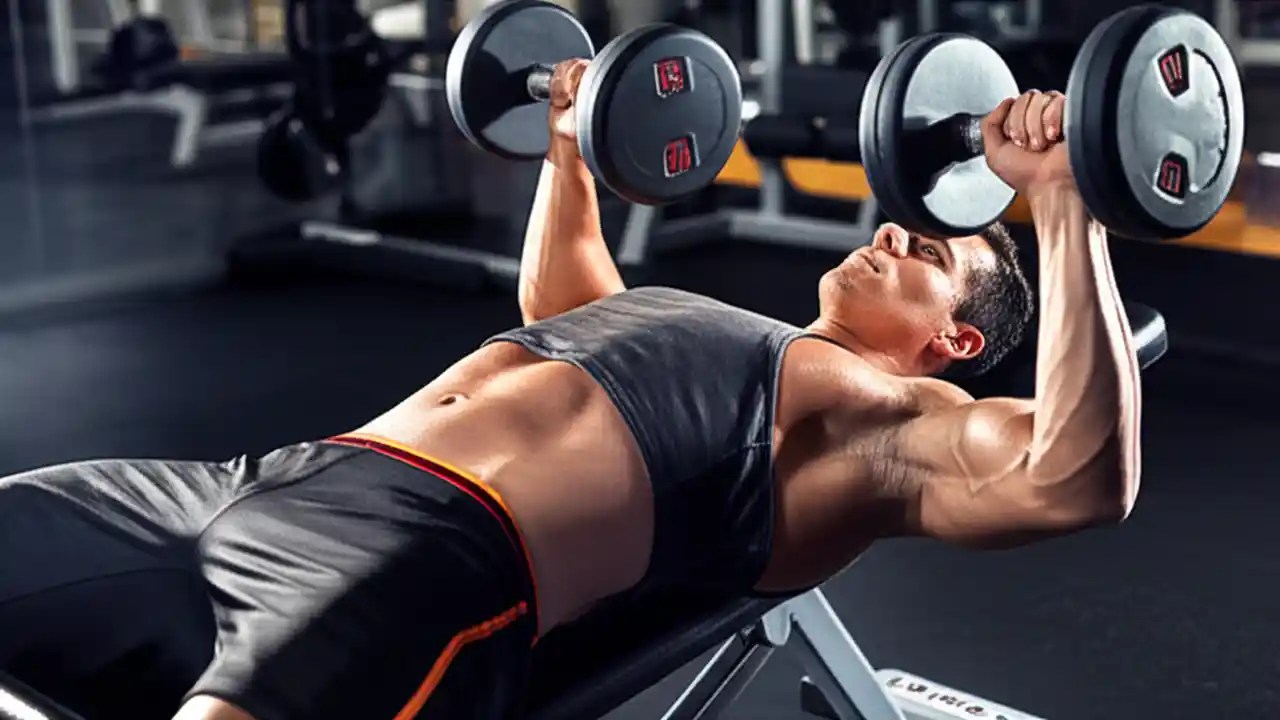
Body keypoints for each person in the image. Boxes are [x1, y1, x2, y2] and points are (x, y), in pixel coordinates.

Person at [0, 62, 1141, 720]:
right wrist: (569, 153)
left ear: (948, 342)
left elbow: (1068, 481)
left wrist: (1065, 203)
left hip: (418, 566)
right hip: (254, 483)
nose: (894, 227)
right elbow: (569, 316)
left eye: (934, 254)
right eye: (908, 223)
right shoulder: (710, 319)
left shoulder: (886, 424)